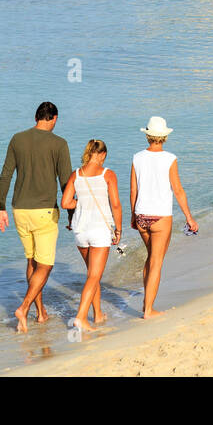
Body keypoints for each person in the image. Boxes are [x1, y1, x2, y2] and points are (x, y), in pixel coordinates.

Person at [0, 101, 72, 332]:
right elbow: (66, 181)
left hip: (19, 210)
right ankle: (25, 307)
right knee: (45, 265)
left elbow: (6, 174)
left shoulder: (17, 139)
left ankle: (40, 314)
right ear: (54, 118)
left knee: (32, 261)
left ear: (36, 117)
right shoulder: (59, 144)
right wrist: (72, 214)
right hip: (44, 212)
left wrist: (1, 207)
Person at [130, 116, 198, 319]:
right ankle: (149, 309)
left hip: (141, 215)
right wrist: (189, 217)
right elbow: (177, 190)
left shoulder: (137, 157)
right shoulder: (170, 159)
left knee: (150, 258)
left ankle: (146, 304)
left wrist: (133, 215)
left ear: (148, 135)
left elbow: (133, 190)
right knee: (156, 262)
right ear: (164, 137)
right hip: (160, 217)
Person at [60, 139, 122, 332]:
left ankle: (97, 314)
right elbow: (116, 205)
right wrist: (118, 229)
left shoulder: (76, 174)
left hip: (80, 230)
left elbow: (65, 203)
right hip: (99, 230)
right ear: (102, 154)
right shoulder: (107, 174)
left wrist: (79, 202)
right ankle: (80, 317)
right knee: (94, 276)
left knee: (91, 276)